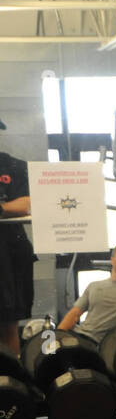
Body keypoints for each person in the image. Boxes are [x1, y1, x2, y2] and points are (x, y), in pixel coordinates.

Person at [58, 243, 116, 343]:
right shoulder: (94, 286)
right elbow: (74, 314)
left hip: (107, 344)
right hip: (80, 336)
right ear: (112, 260)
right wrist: (57, 336)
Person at [0, 138, 34, 354]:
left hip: (9, 254)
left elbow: (27, 203)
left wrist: (2, 207)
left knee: (8, 324)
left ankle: (12, 381)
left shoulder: (14, 166)